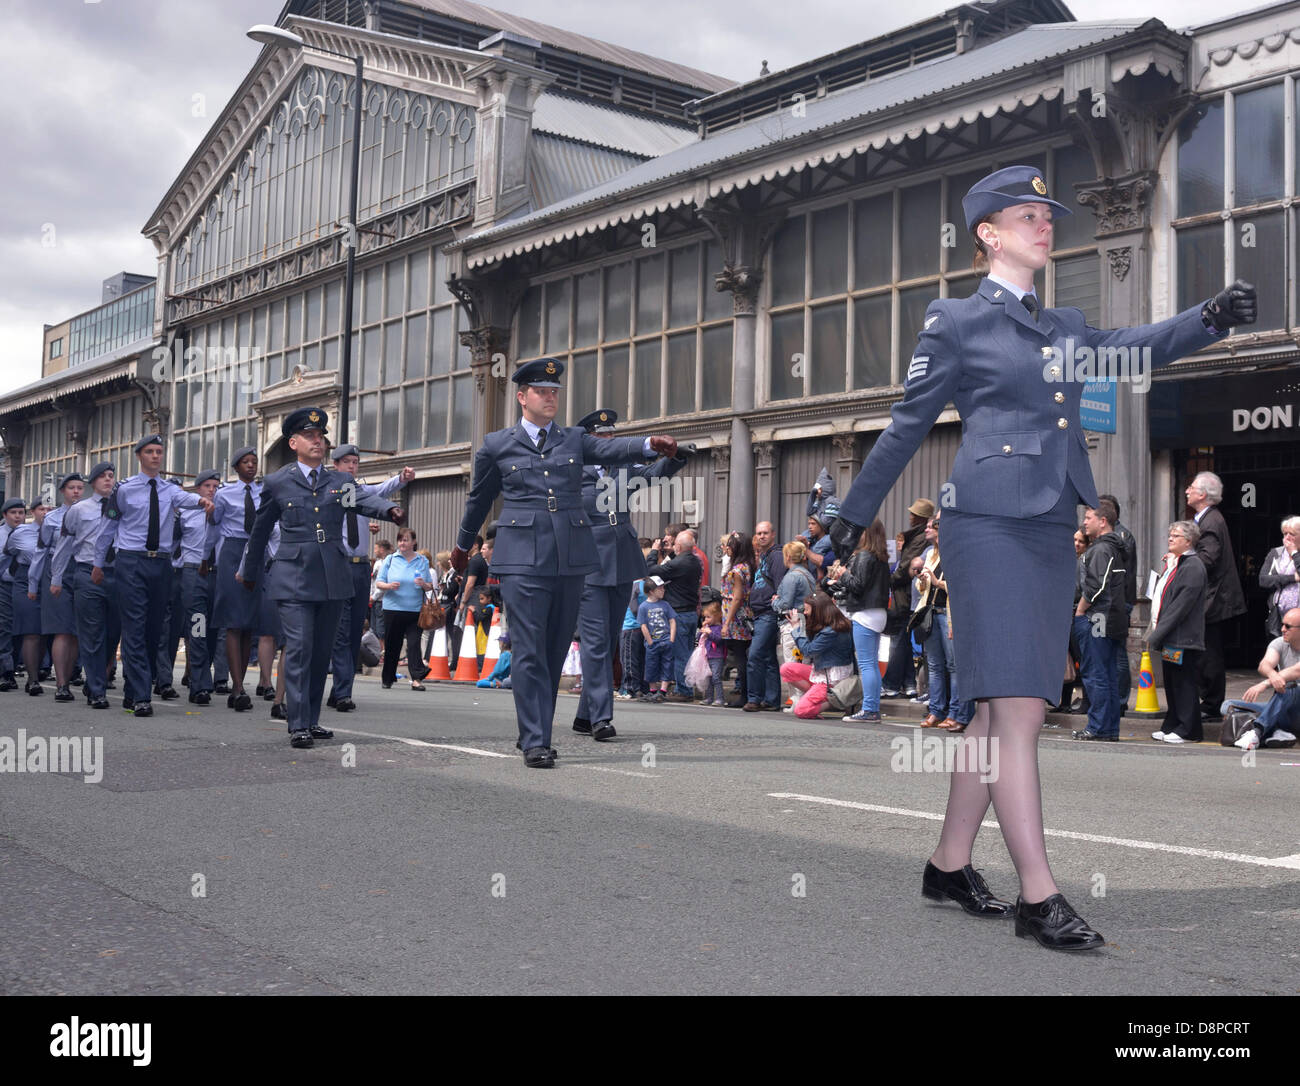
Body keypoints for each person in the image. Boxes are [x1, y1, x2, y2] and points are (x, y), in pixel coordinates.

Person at [824, 164, 1255, 951]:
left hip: (1052, 528)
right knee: (1019, 708)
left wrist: (1209, 319)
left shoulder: (1065, 327)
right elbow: (905, 425)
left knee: (992, 712)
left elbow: (1132, 349)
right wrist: (852, 518)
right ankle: (1039, 894)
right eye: (1027, 215)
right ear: (987, 233)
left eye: (1049, 215)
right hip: (985, 525)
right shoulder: (954, 321)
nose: (1045, 224)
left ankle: (949, 864)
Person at [449, 358, 675, 767]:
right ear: (521, 396)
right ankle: (536, 740)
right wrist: (464, 545)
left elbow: (607, 447)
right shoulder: (497, 444)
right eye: (542, 391)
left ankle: (535, 732)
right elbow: (479, 499)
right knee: (530, 648)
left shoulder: (573, 439)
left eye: (555, 392)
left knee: (553, 649)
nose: (551, 397)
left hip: (570, 556)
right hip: (520, 556)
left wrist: (647, 445)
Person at [239, 407, 401, 748]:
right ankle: (296, 722)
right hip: (293, 576)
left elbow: (363, 500)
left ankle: (311, 720)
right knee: (299, 647)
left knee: (320, 651)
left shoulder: (339, 481)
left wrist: (390, 510)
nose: (318, 441)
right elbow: (260, 531)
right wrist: (249, 572)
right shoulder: (278, 482)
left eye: (321, 436)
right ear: (293, 442)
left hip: (332, 576)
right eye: (310, 436)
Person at [571, 407, 688, 741]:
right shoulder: (573, 469)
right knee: (595, 642)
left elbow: (652, 476)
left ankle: (584, 715)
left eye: (612, 436)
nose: (609, 441)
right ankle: (600, 718)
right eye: (602, 436)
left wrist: (677, 458)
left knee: (607, 642)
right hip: (589, 561)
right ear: (589, 440)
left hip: (622, 557)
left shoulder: (621, 466)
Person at [93, 437, 214, 716]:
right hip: (131, 562)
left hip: (161, 564)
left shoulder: (169, 490)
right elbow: (108, 528)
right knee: (134, 626)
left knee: (153, 628)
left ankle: (134, 689)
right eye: (150, 452)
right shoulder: (123, 490)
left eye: (159, 452)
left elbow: (190, 499)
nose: (156, 456)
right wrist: (99, 563)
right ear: (139, 456)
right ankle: (140, 696)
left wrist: (203, 501)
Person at [326, 444, 413, 712]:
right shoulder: (329, 491)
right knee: (339, 632)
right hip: (339, 565)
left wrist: (401, 478)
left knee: (354, 633)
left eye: (355, 462)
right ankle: (340, 692)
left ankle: (343, 690)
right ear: (336, 465)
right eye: (347, 462)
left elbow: (381, 491)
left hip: (361, 567)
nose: (352, 466)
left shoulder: (362, 492)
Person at [50, 464, 119, 709]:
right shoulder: (79, 510)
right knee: (92, 634)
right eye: (103, 477)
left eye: (111, 476)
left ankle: (95, 680)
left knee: (113, 633)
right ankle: (98, 689)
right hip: (87, 573)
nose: (108, 480)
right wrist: (56, 577)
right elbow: (64, 546)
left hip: (117, 574)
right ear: (93, 482)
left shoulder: (123, 507)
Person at [1185, 472, 1246, 722]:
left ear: (1202, 495)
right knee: (1207, 650)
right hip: (1214, 596)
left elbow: (1208, 559)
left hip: (1214, 599)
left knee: (1209, 652)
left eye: (1191, 487)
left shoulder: (1210, 522)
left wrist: (1182, 561)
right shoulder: (1207, 519)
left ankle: (1211, 705)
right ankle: (1208, 701)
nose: (1187, 490)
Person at [210, 446, 264, 712]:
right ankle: (239, 686)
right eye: (246, 462)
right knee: (233, 621)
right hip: (232, 550)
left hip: (256, 552)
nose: (251, 466)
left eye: (254, 462)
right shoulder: (224, 493)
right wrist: (207, 557)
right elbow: (214, 526)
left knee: (248, 623)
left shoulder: (264, 492)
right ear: (236, 467)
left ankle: (237, 684)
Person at [1070, 500, 1127, 742]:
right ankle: (1108, 728)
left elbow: (1096, 585)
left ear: (1102, 522)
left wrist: (1080, 611)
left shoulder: (1101, 549)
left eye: (1089, 518)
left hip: (1096, 619)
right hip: (1111, 619)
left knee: (1096, 676)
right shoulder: (1113, 547)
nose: (1084, 522)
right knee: (1108, 676)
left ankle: (1097, 727)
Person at [1148, 521, 1208, 744]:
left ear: (1189, 541)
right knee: (1173, 684)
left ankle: (1188, 730)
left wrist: (1157, 635)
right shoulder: (1178, 564)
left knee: (1184, 684)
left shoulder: (1193, 566)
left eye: (1176, 535)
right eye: (1170, 534)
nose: (1170, 538)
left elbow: (1180, 606)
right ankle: (1172, 724)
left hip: (1183, 638)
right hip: (1172, 637)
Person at [28, 473, 85, 701]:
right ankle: (62, 684)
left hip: (81, 569)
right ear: (63, 491)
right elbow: (40, 553)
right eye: (72, 487)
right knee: (62, 629)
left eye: (80, 487)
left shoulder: (90, 513)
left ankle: (69, 677)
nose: (76, 492)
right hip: (56, 570)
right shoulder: (51, 519)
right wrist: (33, 583)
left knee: (74, 631)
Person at [827, 520, 891, 723]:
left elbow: (858, 585)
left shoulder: (864, 555)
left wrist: (844, 574)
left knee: (867, 664)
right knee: (870, 664)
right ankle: (871, 708)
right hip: (878, 612)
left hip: (865, 613)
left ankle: (870, 709)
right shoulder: (880, 557)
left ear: (867, 533)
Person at [1220, 606, 1300, 750]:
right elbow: (1265, 664)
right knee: (1228, 706)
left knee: (1290, 687)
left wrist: (1265, 684)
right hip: (1282, 708)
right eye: (1282, 624)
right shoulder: (1281, 643)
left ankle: (1258, 732)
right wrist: (1273, 674)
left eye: (1288, 626)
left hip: (1297, 712)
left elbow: (1295, 671)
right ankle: (1278, 733)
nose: (1282, 629)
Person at [173, 470, 220, 704]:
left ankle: (202, 675)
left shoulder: (223, 513)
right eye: (207, 486)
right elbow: (173, 546)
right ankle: (199, 683)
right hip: (194, 574)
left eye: (215, 486)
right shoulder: (185, 514)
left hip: (217, 575)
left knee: (213, 630)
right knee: (198, 627)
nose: (212, 490)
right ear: (198, 489)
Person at [882, 499, 933, 698]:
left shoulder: (918, 539)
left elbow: (905, 568)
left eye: (913, 513)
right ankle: (907, 683)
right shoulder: (917, 538)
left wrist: (890, 580)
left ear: (919, 518)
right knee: (903, 641)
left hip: (906, 598)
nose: (910, 516)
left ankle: (892, 683)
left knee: (899, 641)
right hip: (908, 597)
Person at [644, 529, 703, 704]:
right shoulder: (694, 561)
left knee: (680, 653)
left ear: (679, 546)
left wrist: (654, 551)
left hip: (679, 614)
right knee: (686, 652)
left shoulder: (679, 563)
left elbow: (652, 571)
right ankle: (684, 688)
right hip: (691, 612)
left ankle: (683, 690)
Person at [780, 590, 855, 718]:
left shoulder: (831, 631)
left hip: (831, 679)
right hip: (822, 672)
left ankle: (833, 700)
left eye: (807, 610)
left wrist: (797, 629)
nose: (804, 613)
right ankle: (816, 695)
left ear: (818, 610)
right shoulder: (829, 624)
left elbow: (808, 651)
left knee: (801, 711)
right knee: (786, 669)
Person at [375, 527, 432, 691]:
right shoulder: (390, 559)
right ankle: (388, 677)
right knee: (393, 644)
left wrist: (423, 584)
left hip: (415, 609)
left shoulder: (422, 561)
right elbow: (379, 582)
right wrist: (388, 586)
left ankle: (416, 678)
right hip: (393, 608)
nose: (402, 543)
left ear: (414, 542)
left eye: (406, 540)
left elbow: (430, 587)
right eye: (400, 540)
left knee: (414, 643)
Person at [1098, 493, 1137, 713]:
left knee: (1119, 653)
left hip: (1118, 603)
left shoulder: (1121, 537)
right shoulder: (1110, 538)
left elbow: (1115, 574)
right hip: (1112, 603)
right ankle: (1112, 700)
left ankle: (1120, 700)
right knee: (1108, 654)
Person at [745, 521, 788, 711]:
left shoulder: (776, 556)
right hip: (760, 613)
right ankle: (771, 700)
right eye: (759, 533)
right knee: (768, 658)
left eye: (765, 533)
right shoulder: (765, 557)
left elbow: (780, 586)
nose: (762, 536)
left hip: (768, 614)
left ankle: (754, 698)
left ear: (773, 534)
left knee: (754, 655)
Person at [719, 531, 755, 709]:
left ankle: (744, 695)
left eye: (730, 545)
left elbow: (737, 597)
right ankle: (747, 694)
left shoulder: (737, 571)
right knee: (742, 656)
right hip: (744, 613)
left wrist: (726, 623)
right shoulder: (748, 565)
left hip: (736, 616)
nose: (727, 548)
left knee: (740, 657)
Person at [0, 498, 30, 691]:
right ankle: (5, 672)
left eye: (21, 513)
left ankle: (15, 665)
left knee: (20, 628)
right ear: (5, 515)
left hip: (23, 584)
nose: (18, 516)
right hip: (3, 583)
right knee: (5, 626)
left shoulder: (28, 533)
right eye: (13, 513)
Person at [774, 539, 816, 667]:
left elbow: (785, 604)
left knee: (793, 668)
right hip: (807, 623)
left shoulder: (791, 576)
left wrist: (775, 601)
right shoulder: (808, 574)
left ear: (788, 556)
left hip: (792, 625)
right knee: (804, 666)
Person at [1259, 517, 1300, 641]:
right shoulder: (1276, 553)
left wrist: (1294, 553)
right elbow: (1263, 580)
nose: (1287, 538)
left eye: (1292, 534)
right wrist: (1292, 578)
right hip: (1278, 617)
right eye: (1285, 533)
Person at [638, 575, 676, 703]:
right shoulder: (643, 606)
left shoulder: (665, 604)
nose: (663, 590)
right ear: (651, 591)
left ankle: (663, 690)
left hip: (666, 640)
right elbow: (643, 625)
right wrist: (649, 641)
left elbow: (672, 621)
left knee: (667, 664)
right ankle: (653, 690)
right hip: (653, 642)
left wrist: (671, 638)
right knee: (651, 665)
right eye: (660, 588)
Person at [699, 599, 726, 706]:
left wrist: (709, 633)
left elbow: (719, 640)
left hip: (717, 656)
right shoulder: (707, 627)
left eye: (709, 617)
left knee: (716, 677)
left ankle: (720, 698)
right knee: (708, 678)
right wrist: (702, 630)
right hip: (707, 655)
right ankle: (709, 697)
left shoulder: (719, 628)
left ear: (717, 616)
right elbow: (699, 638)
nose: (706, 619)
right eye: (705, 617)